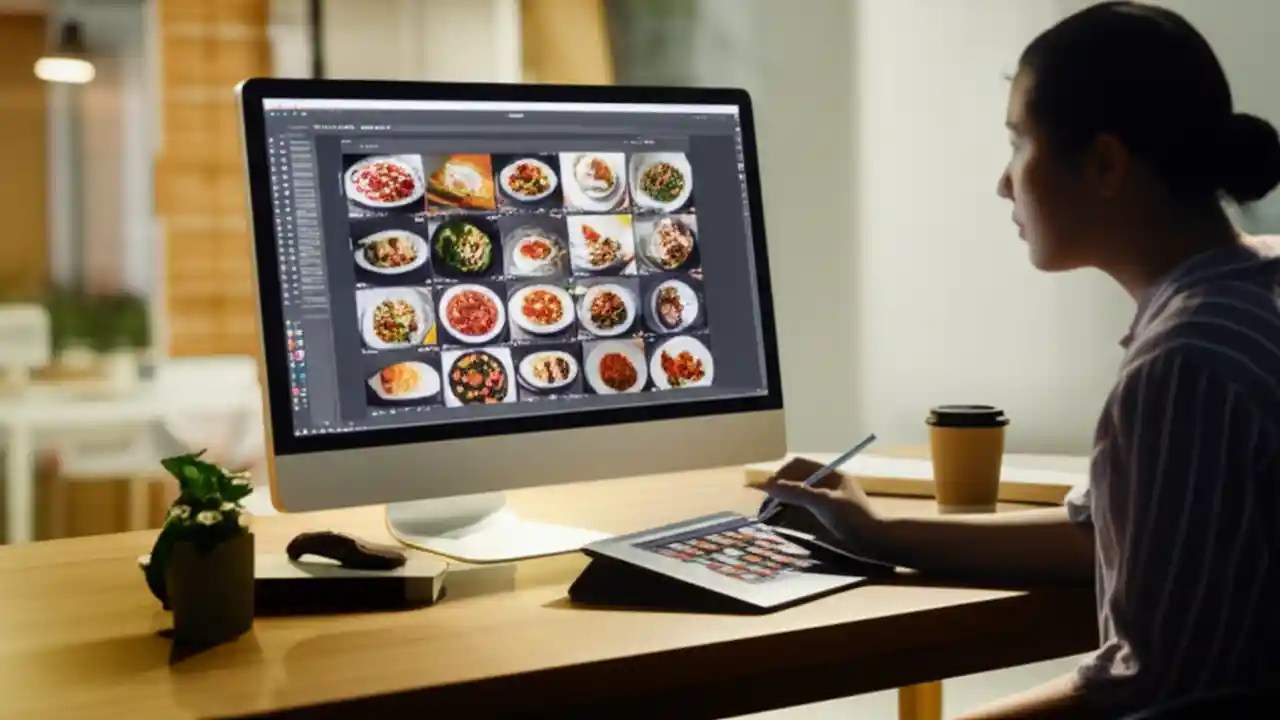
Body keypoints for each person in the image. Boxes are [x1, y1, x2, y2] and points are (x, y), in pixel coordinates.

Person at [750, 3, 1280, 719]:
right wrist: (883, 532)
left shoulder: (1184, 364)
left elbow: (1151, 688)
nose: (1005, 183)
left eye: (1017, 143)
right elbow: (1116, 537)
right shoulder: (1254, 286)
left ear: (1103, 164)